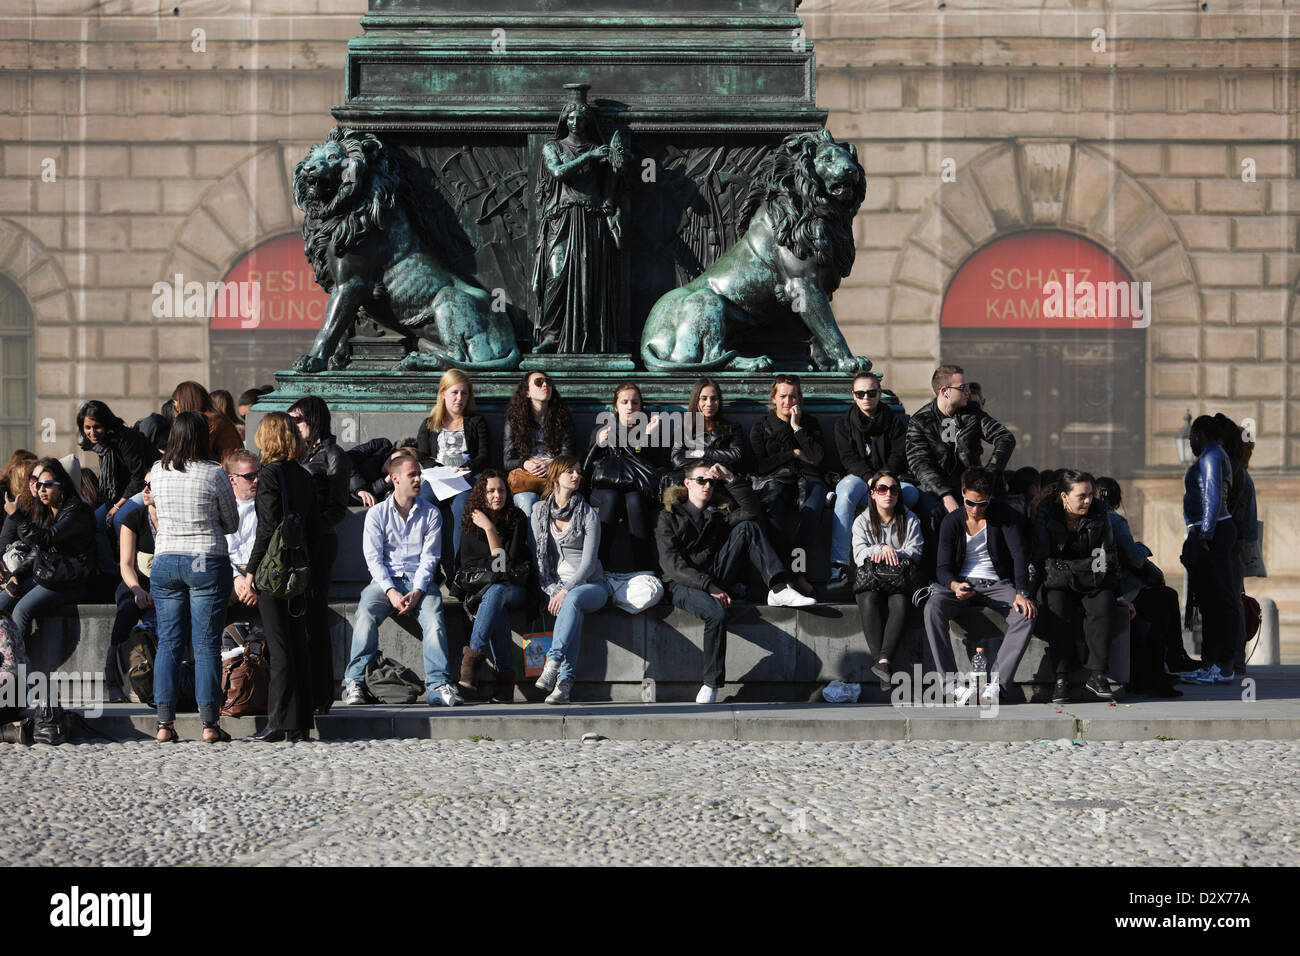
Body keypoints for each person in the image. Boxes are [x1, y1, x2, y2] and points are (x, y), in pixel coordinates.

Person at [657, 459, 816, 703]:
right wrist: (708, 585)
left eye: (711, 482)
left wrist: (730, 479)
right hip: (682, 584)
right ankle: (711, 683)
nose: (707, 485)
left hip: (714, 575)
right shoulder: (668, 516)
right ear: (687, 483)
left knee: (748, 527)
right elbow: (672, 565)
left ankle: (778, 588)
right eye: (701, 480)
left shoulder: (715, 517)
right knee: (717, 614)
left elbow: (751, 511)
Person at [341, 453, 461, 708]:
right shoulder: (377, 514)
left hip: (420, 582)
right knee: (365, 614)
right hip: (385, 582)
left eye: (419, 474)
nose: (419, 479)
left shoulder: (431, 513)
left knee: (434, 621)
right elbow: (374, 560)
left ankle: (437, 685)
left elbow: (430, 558)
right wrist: (391, 592)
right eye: (412, 475)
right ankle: (354, 682)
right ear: (395, 479)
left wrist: (417, 591)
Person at [148, 411, 239, 744]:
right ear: (202, 438)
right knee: (205, 644)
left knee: (169, 643)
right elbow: (232, 523)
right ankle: (209, 724)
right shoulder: (213, 472)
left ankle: (164, 723)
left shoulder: (157, 471)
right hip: (204, 558)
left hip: (166, 559)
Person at [923, 467, 1036, 706]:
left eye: (982, 504)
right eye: (970, 503)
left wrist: (1021, 592)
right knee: (933, 607)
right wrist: (955, 585)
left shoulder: (1004, 515)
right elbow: (942, 567)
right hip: (961, 584)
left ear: (990, 498)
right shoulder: (951, 521)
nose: (975, 510)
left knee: (1025, 614)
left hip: (996, 584)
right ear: (963, 493)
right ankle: (951, 686)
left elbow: (1019, 554)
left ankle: (996, 684)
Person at [530, 83, 628, 354]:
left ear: (587, 121)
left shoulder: (598, 149)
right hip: (561, 220)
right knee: (556, 274)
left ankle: (589, 338)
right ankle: (551, 335)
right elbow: (558, 172)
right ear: (565, 119)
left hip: (589, 220)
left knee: (589, 279)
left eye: (581, 118)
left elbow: (609, 188)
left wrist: (616, 166)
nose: (576, 122)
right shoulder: (552, 147)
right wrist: (589, 157)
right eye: (571, 117)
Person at [245, 413, 321, 741]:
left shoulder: (269, 475)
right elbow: (314, 527)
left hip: (274, 571)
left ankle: (278, 722)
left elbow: (267, 528)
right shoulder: (303, 475)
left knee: (278, 647)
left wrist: (251, 569)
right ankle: (300, 722)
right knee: (297, 645)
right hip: (299, 569)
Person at [1033, 469, 1130, 703]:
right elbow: (1043, 560)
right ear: (1064, 497)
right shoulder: (1047, 513)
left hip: (1091, 581)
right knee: (1056, 605)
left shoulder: (1100, 512)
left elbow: (1107, 557)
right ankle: (1061, 678)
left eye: (1090, 495)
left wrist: (1120, 596)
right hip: (1057, 582)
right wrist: (1084, 566)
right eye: (1081, 496)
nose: (1088, 501)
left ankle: (1098, 674)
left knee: (1103, 602)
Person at [1095, 476, 1188, 696]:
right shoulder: (1114, 520)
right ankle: (1168, 664)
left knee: (1157, 607)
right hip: (1119, 590)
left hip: (1104, 588)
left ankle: (1157, 671)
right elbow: (1135, 559)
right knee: (1166, 600)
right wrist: (1143, 549)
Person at [289, 395, 352, 713]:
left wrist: (311, 530)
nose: (293, 425)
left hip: (318, 541)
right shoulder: (297, 452)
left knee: (315, 614)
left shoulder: (333, 455)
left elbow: (338, 508)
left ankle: (322, 694)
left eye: (298, 419)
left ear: (314, 420)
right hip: (295, 542)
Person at [0, 458, 95, 667]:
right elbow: (38, 551)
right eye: (39, 484)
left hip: (68, 580)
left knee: (21, 610)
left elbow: (46, 539)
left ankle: (17, 669)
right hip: (46, 574)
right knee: (3, 600)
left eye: (48, 485)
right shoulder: (47, 509)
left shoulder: (76, 512)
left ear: (62, 486)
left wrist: (17, 517)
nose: (41, 489)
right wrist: (17, 575)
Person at [531, 456, 608, 704]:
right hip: (554, 585)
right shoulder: (539, 511)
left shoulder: (588, 514)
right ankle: (563, 686)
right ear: (555, 477)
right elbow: (540, 557)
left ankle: (552, 661)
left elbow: (589, 564)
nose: (576, 476)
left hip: (591, 585)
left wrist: (566, 590)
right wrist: (554, 590)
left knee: (572, 598)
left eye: (578, 471)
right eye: (570, 472)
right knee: (571, 607)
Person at [830, 371, 916, 590]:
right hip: (859, 478)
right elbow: (848, 458)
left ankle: (904, 560)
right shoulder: (843, 424)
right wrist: (870, 479)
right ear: (853, 395)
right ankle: (838, 566)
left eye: (871, 392)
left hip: (889, 477)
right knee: (845, 493)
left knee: (912, 494)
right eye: (860, 393)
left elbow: (898, 455)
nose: (866, 397)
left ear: (879, 393)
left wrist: (882, 479)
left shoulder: (894, 422)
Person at [906, 364, 1016, 533]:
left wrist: (989, 473)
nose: (968, 392)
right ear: (945, 391)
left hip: (970, 483)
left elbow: (1005, 437)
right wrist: (945, 495)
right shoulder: (920, 421)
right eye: (962, 387)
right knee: (933, 512)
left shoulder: (972, 413)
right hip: (936, 487)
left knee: (999, 511)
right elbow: (920, 463)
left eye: (968, 387)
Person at [453, 471, 530, 702]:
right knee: (497, 605)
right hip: (486, 591)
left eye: (502, 490)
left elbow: (502, 566)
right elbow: (468, 565)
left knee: (498, 591)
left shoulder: (516, 518)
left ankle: (470, 665)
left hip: (516, 587)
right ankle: (505, 685)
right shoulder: (471, 520)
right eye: (491, 491)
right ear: (481, 494)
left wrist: (490, 530)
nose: (497, 495)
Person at [1179, 415, 1243, 685]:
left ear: (1199, 434)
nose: (1190, 443)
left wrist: (1206, 534)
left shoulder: (1211, 455)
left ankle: (1223, 666)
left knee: (1221, 601)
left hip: (1213, 531)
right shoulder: (1214, 454)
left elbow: (1212, 495)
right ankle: (1210, 664)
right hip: (1211, 530)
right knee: (1210, 603)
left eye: (1191, 437)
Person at [748, 374, 825, 596]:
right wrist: (793, 453)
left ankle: (797, 574)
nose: (788, 401)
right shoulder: (761, 427)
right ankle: (787, 575)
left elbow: (818, 458)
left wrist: (797, 428)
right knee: (773, 515)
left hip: (809, 480)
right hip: (777, 481)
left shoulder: (809, 424)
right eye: (782, 396)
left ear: (799, 398)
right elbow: (761, 465)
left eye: (792, 396)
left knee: (810, 513)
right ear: (774, 398)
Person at [851, 469, 924, 689]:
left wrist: (894, 552)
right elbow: (859, 554)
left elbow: (916, 551)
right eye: (882, 489)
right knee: (868, 600)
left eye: (893, 489)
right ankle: (882, 663)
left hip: (898, 580)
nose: (888, 494)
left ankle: (882, 663)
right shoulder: (862, 521)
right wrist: (880, 548)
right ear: (872, 493)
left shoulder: (909, 519)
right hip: (871, 580)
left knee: (900, 603)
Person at [584, 382, 665, 570]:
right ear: (616, 405)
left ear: (641, 406)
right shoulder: (603, 429)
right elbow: (588, 467)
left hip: (636, 488)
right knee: (611, 498)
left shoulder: (649, 430)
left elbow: (653, 468)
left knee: (634, 499)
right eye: (624, 402)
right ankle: (599, 566)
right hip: (605, 490)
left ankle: (643, 569)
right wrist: (598, 444)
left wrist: (647, 437)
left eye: (635, 402)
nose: (630, 407)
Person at [415, 369, 490, 573]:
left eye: (464, 393)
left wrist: (468, 468)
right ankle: (426, 567)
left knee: (462, 510)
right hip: (437, 479)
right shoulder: (430, 423)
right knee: (423, 506)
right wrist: (436, 468)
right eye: (454, 392)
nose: (459, 398)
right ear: (443, 394)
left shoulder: (476, 421)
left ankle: (458, 569)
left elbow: (484, 455)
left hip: (465, 478)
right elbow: (422, 455)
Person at [105, 466, 158, 701]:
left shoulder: (174, 520)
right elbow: (126, 564)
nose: (145, 490)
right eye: (144, 485)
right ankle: (112, 677)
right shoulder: (133, 518)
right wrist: (137, 590)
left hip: (165, 584)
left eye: (151, 486)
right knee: (126, 610)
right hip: (135, 581)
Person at [503, 371, 577, 519]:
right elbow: (507, 461)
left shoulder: (562, 418)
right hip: (526, 480)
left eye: (548, 381)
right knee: (528, 502)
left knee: (558, 503)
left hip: (554, 477)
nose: (545, 385)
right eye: (538, 382)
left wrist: (551, 463)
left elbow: (568, 455)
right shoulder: (515, 420)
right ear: (527, 392)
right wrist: (525, 463)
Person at [666, 377, 747, 486]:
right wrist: (716, 458)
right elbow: (677, 460)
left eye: (714, 399)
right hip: (692, 484)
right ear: (696, 401)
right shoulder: (683, 429)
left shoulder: (732, 428)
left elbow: (736, 454)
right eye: (704, 398)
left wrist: (703, 452)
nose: (709, 403)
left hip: (721, 482)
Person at [171, 381, 244, 468]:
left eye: (177, 407)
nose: (177, 411)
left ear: (186, 402)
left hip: (220, 471)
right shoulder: (214, 419)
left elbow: (193, 454)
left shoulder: (210, 421)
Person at [224, 449, 261, 618]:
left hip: (259, 574)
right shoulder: (221, 508)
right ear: (232, 479)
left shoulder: (265, 505)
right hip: (230, 573)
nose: (256, 480)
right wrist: (236, 578)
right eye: (249, 476)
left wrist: (251, 580)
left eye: (257, 474)